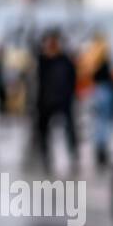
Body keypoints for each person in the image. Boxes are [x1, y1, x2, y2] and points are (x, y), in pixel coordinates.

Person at [34, 31, 78, 175]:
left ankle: (73, 158)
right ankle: (46, 159)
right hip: (45, 102)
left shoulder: (65, 60)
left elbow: (72, 79)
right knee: (44, 133)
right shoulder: (42, 60)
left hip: (63, 101)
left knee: (69, 131)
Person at [81, 33, 113, 169]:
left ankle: (99, 149)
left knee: (98, 121)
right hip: (106, 90)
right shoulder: (104, 57)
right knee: (105, 121)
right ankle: (103, 149)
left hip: (96, 91)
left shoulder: (92, 58)